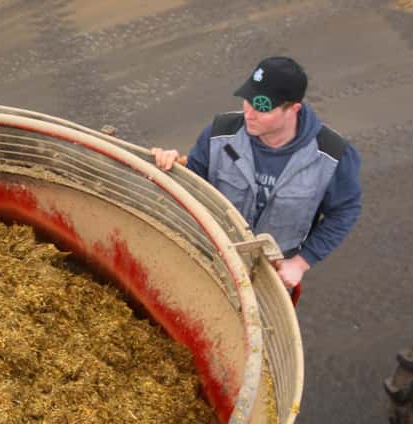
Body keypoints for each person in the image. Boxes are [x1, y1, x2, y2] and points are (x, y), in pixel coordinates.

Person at [151, 57, 362, 290]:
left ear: (293, 109)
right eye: (247, 100)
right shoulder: (219, 134)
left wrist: (301, 263)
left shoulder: (332, 156)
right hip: (212, 254)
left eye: (262, 107)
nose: (249, 114)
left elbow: (344, 212)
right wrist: (171, 166)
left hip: (270, 274)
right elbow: (192, 188)